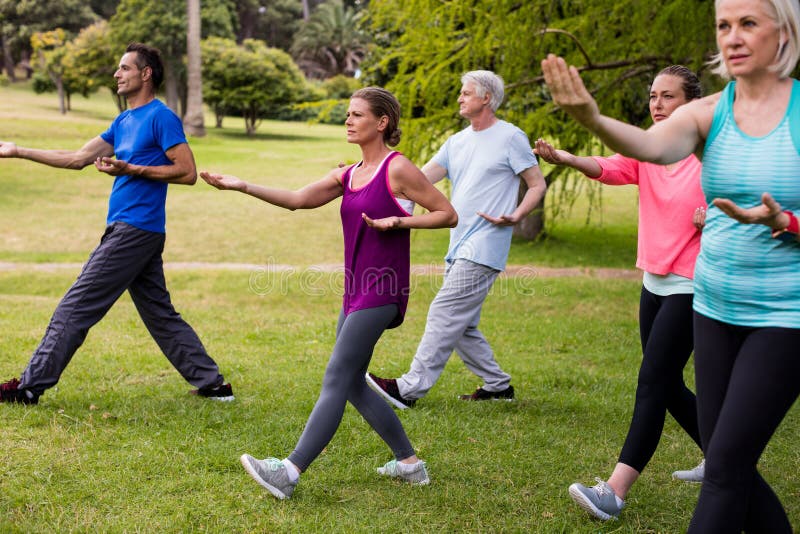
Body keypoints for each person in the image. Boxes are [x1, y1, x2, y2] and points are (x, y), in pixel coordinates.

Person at [542, 0, 800, 530]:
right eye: (724, 25)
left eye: (748, 23)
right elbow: (649, 148)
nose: (732, 36)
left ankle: (615, 489)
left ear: (785, 29)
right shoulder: (709, 114)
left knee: (723, 468)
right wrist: (592, 118)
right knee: (728, 465)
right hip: (713, 306)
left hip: (782, 313)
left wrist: (787, 222)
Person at [200, 87, 457, 500]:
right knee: (352, 381)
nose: (348, 121)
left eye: (357, 114)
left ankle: (289, 471)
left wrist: (398, 222)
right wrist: (241, 185)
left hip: (383, 288)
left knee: (337, 375)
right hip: (355, 289)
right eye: (348, 114)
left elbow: (447, 214)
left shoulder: (398, 169)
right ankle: (409, 464)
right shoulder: (349, 174)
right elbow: (297, 200)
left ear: (382, 122)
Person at [0, 43, 233, 405]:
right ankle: (214, 385)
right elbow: (77, 158)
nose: (117, 74)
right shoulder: (123, 121)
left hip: (134, 230)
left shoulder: (161, 117)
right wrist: (18, 151)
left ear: (146, 74)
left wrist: (133, 168)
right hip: (133, 230)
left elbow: (187, 172)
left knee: (75, 306)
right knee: (159, 313)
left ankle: (29, 387)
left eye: (125, 68)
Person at [534, 65, 706, 521]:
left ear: (691, 103)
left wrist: (719, 215)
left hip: (692, 284)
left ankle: (614, 492)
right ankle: (722, 454)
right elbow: (611, 167)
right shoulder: (651, 149)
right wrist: (568, 159)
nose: (656, 104)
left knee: (651, 382)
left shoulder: (711, 154)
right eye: (652, 95)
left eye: (668, 96)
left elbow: (748, 198)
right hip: (653, 281)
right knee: (667, 383)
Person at [365, 70, 547, 409]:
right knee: (462, 325)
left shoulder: (511, 137)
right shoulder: (457, 142)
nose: (460, 98)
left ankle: (409, 388)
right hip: (459, 243)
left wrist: (518, 214)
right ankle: (498, 386)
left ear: (486, 98)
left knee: (445, 311)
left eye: (466, 92)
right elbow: (417, 180)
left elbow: (537, 183)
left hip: (486, 244)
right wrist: (368, 175)